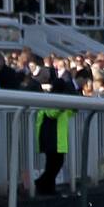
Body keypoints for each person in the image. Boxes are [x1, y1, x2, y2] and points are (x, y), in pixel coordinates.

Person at [33, 68, 75, 196]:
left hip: (56, 138)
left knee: (54, 164)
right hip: (50, 137)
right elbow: (52, 114)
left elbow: (70, 112)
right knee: (53, 164)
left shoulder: (56, 100)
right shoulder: (49, 100)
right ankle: (41, 184)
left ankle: (47, 188)